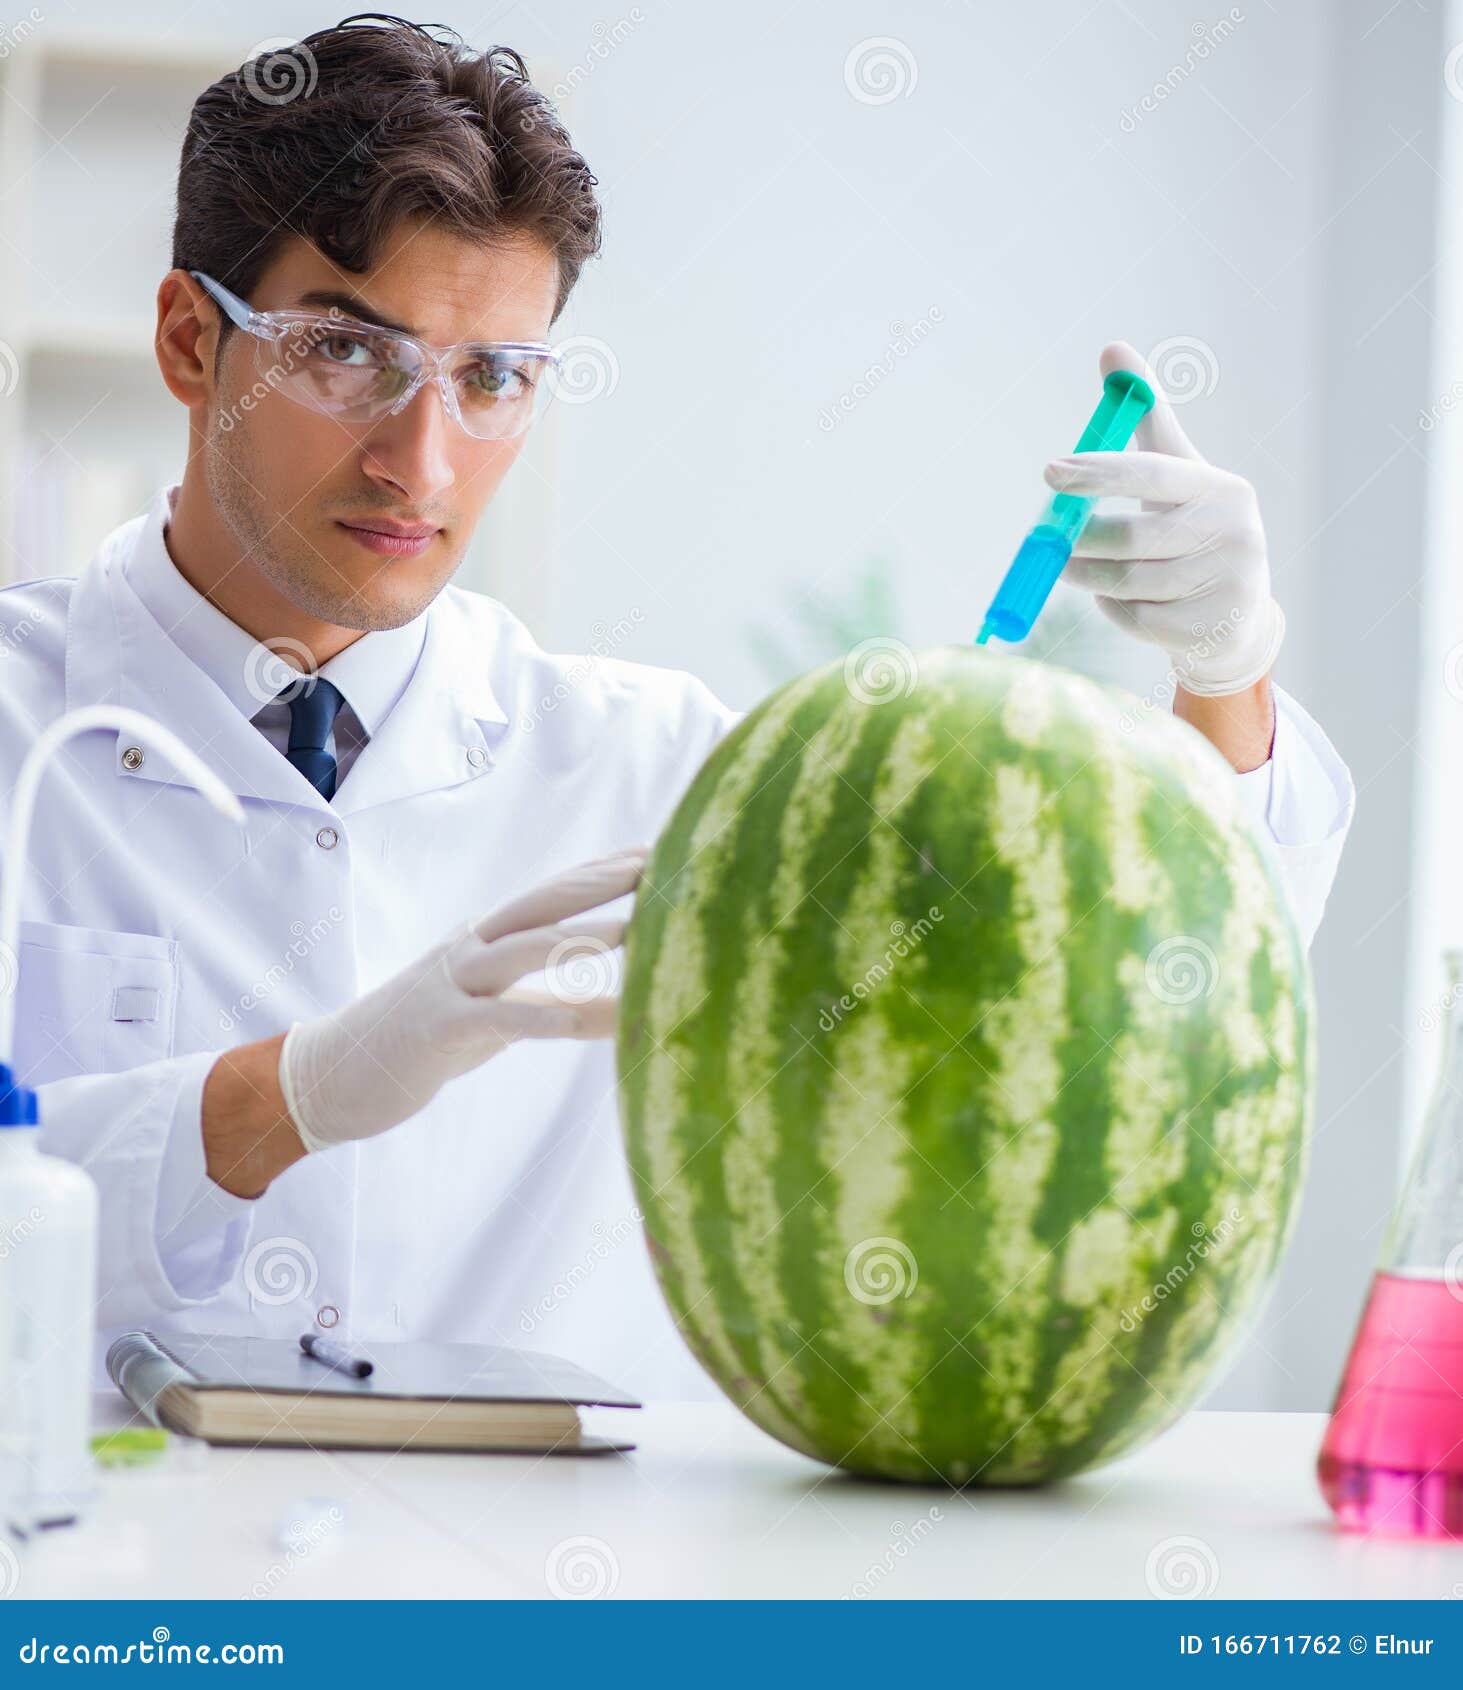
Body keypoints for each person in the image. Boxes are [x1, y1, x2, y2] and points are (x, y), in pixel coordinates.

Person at [0, 18, 1353, 1397]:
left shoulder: (664, 771)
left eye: (492, 377)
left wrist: (1225, 672)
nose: (423, 462)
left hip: (540, 1536)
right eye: (350, 352)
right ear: (189, 341)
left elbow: (1123, 1001)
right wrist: (277, 1099)